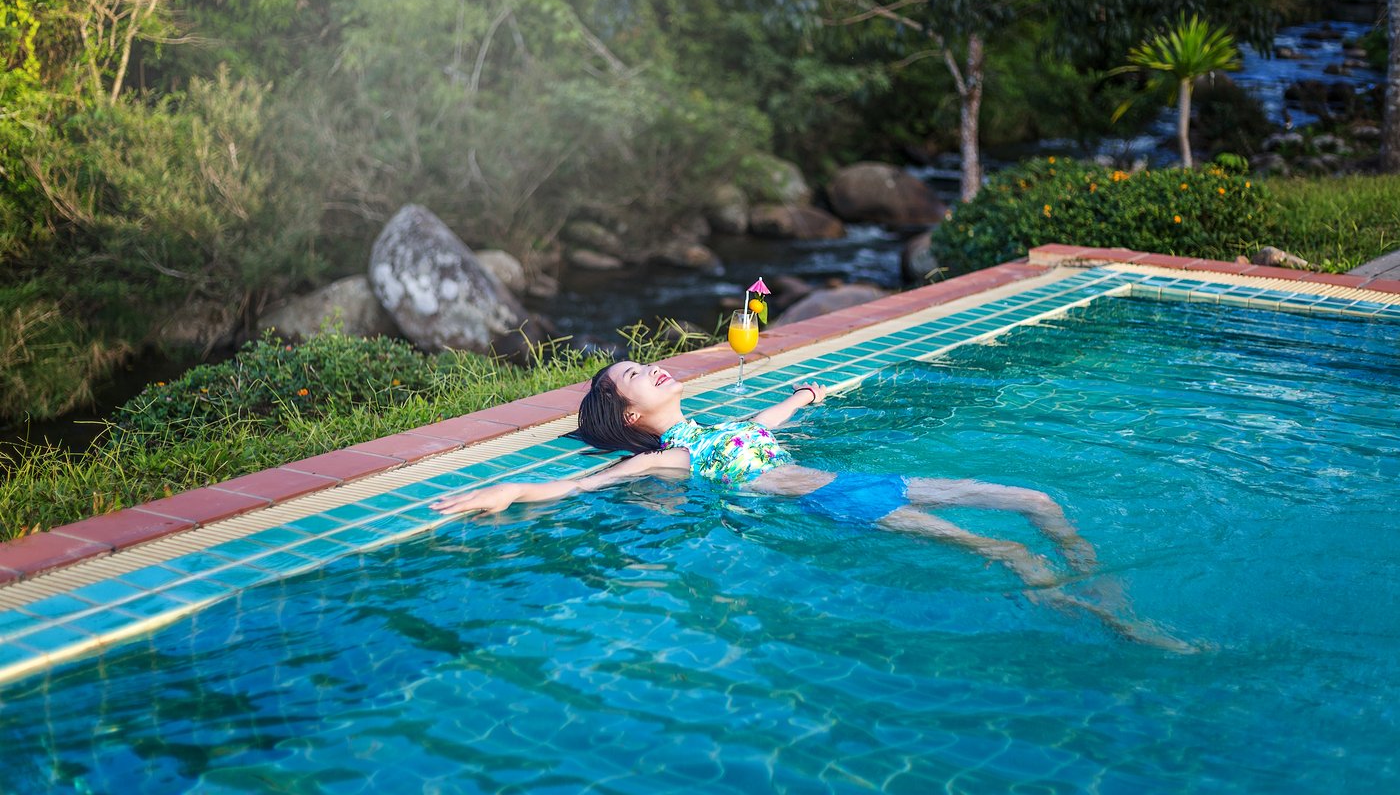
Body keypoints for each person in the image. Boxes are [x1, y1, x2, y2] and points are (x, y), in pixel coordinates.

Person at [432, 361, 1191, 650]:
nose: (655, 366)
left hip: (867, 481)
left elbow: (762, 428)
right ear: (628, 414)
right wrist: (504, 494)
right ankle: (1123, 628)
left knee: (1036, 499)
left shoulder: (711, 431)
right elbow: (574, 486)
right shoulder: (669, 460)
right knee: (1010, 553)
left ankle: (1101, 586)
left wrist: (801, 396)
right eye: (637, 373)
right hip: (838, 504)